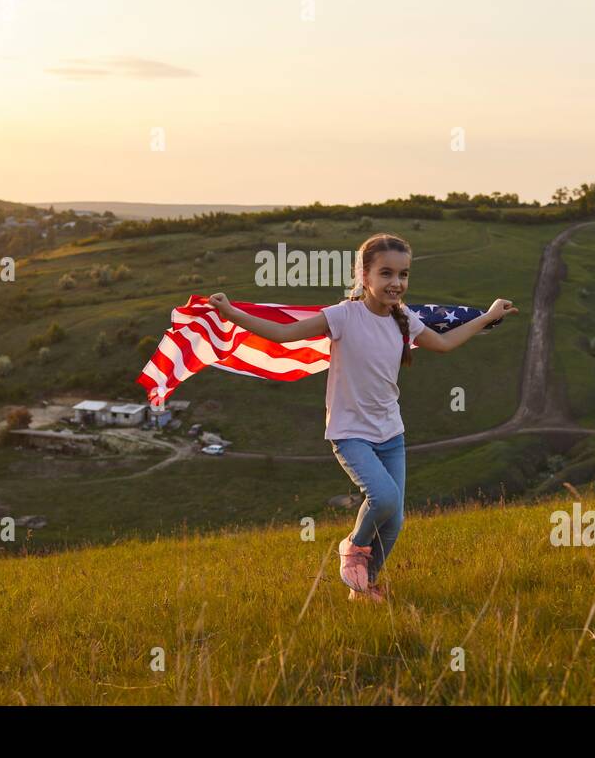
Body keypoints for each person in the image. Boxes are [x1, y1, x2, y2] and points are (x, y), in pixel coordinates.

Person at [206, 232, 518, 603]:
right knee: (383, 499)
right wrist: (230, 313)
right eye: (386, 273)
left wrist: (489, 315)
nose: (396, 283)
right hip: (350, 433)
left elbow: (446, 343)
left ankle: (365, 588)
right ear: (364, 275)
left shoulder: (404, 319)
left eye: (403, 275)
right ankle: (353, 547)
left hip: (391, 434)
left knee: (394, 522)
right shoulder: (343, 316)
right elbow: (283, 334)